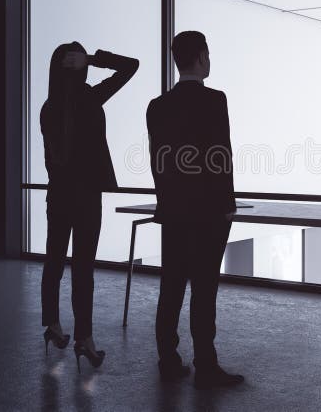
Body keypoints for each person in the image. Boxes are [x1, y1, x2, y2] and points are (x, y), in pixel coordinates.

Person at [146, 31, 243, 389]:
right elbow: (221, 155)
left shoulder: (156, 106)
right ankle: (205, 363)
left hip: (173, 210)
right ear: (201, 57)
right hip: (207, 213)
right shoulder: (215, 100)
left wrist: (167, 201)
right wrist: (227, 205)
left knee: (170, 286)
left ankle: (167, 359)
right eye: (208, 54)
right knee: (204, 289)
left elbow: (159, 161)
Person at [40, 42, 138, 371]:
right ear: (80, 68)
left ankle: (53, 326)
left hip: (57, 194)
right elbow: (131, 66)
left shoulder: (48, 107)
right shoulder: (90, 99)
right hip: (85, 197)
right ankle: (85, 340)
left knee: (54, 260)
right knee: (83, 268)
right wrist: (95, 59)